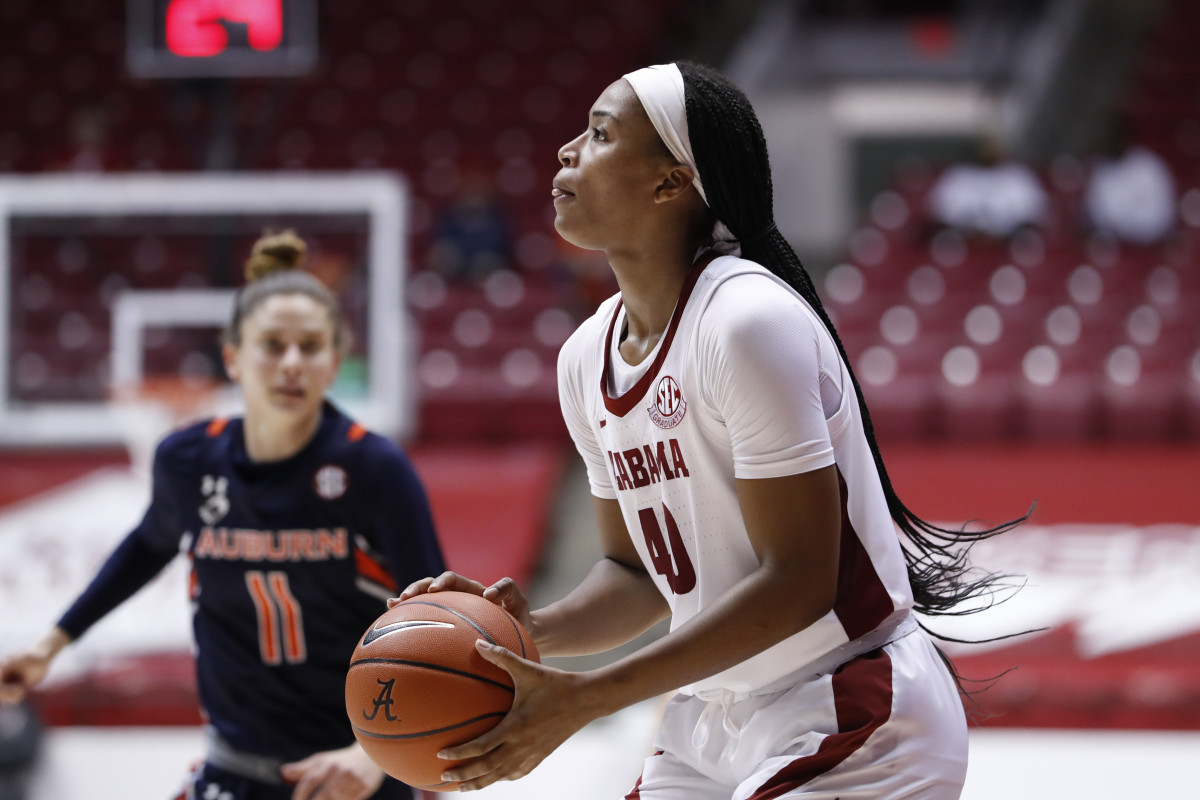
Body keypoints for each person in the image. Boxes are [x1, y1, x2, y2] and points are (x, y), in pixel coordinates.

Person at [396, 62, 1026, 798]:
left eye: (599, 134)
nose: (566, 150)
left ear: (670, 182)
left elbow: (797, 585)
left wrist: (586, 697)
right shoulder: (584, 357)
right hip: (710, 713)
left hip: (849, 707)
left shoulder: (745, 323)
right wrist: (526, 630)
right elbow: (640, 577)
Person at [0, 231, 445, 800]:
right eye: (272, 345)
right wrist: (53, 643)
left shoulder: (373, 467)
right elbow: (147, 545)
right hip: (235, 768)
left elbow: (440, 624)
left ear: (334, 363)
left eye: (310, 347)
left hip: (352, 773)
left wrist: (376, 755)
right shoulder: (185, 460)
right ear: (233, 357)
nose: (291, 363)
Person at [926, 134, 1048, 240]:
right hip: (966, 241)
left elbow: (1033, 214)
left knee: (1027, 239)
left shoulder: (1019, 176)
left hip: (1009, 241)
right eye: (985, 147)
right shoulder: (958, 175)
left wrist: (998, 234)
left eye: (993, 147)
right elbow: (940, 213)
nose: (989, 151)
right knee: (945, 239)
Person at [1082, 115, 1176, 245]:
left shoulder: (1149, 167)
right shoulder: (1098, 169)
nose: (1108, 142)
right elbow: (1095, 215)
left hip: (1148, 246)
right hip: (1110, 245)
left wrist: (1124, 228)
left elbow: (1160, 217)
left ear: (1125, 137)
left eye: (1113, 137)